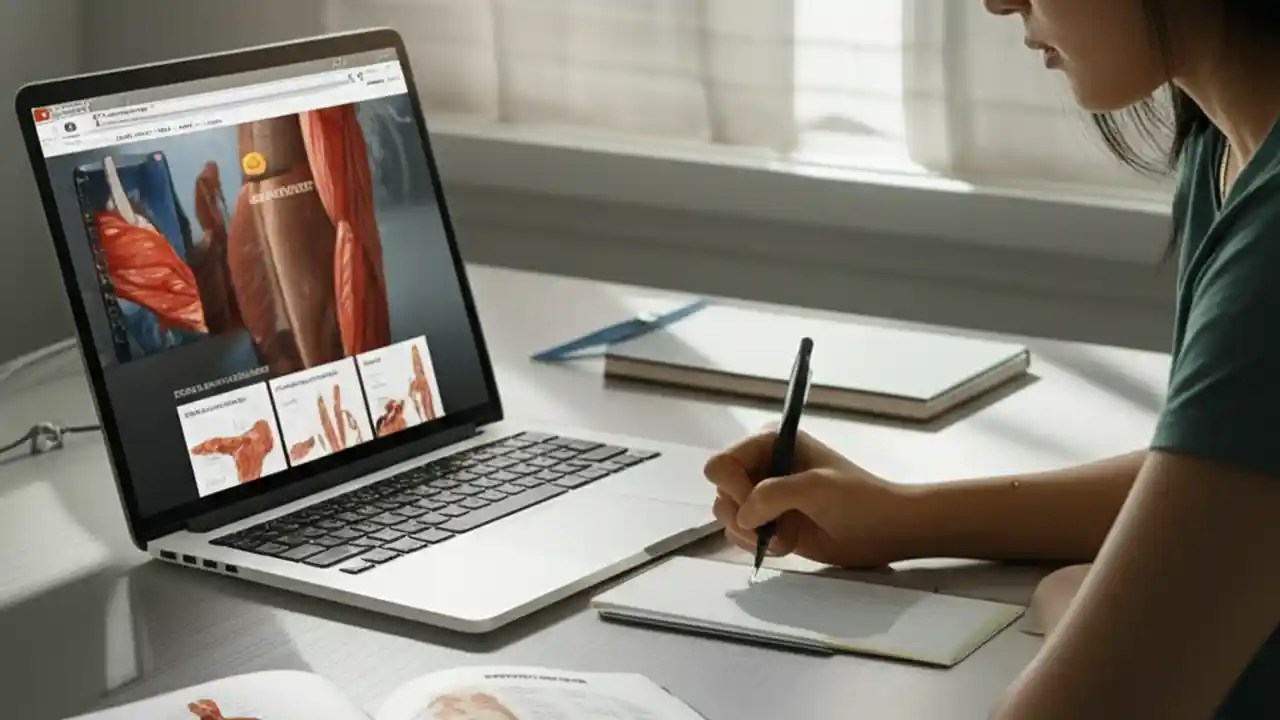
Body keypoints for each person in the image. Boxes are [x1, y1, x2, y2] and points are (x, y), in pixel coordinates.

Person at [704, 2, 1280, 718]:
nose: (998, 0)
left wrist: (1073, 600)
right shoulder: (1225, 150)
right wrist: (906, 518)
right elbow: (1227, 478)